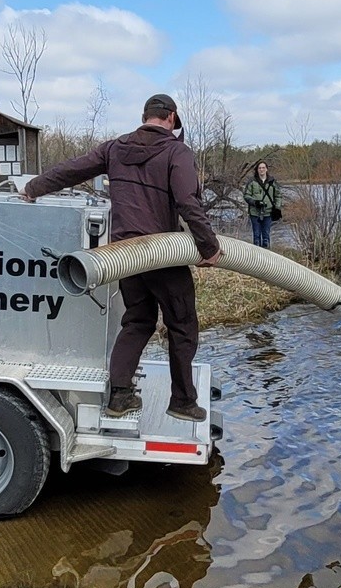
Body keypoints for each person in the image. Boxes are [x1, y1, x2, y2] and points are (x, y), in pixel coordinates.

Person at [21, 94, 221, 422]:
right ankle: (183, 402)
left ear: (145, 116)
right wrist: (209, 247)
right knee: (182, 325)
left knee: (138, 321)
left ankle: (120, 396)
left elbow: (72, 169)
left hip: (127, 256)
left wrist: (34, 187)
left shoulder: (114, 148)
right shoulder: (176, 151)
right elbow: (188, 200)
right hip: (163, 256)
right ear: (171, 117)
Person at [242, 160, 280, 248]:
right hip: (255, 212)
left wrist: (277, 208)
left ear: (266, 169)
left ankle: (267, 257)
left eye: (263, 168)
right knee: (256, 236)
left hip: (268, 212)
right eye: (259, 168)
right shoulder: (252, 181)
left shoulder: (272, 181)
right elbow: (246, 195)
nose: (261, 170)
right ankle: (256, 258)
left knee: (266, 235)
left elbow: (278, 195)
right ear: (257, 170)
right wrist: (255, 202)